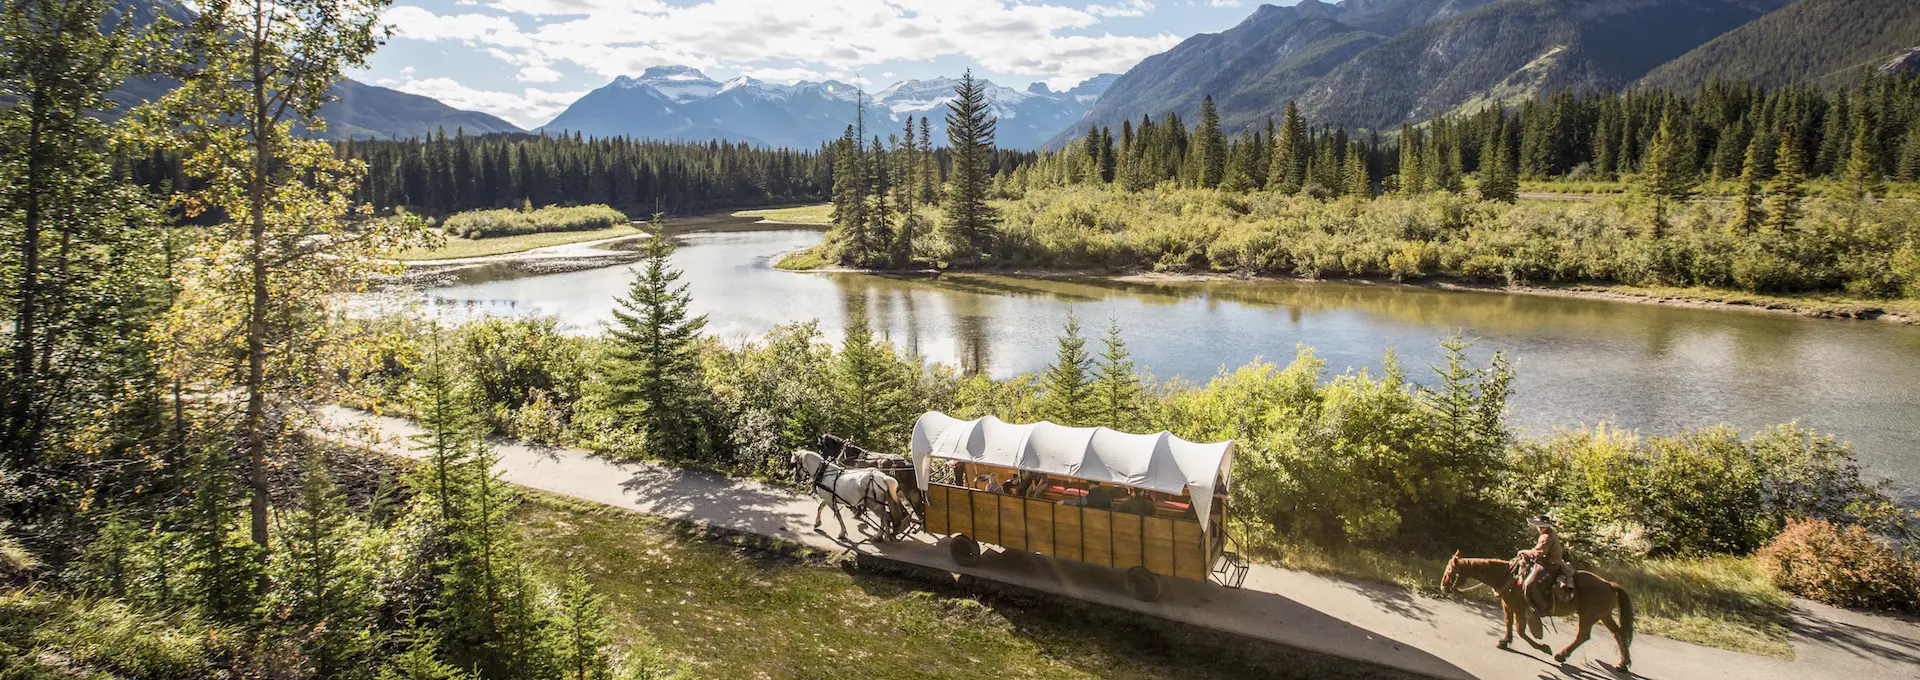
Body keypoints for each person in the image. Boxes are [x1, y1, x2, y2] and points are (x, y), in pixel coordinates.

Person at [1518, 515, 1570, 639]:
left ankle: (1541, 608)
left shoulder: (1546, 537)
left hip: (1549, 565)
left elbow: (1539, 553)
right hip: (1547, 562)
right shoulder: (1548, 534)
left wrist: (1524, 551)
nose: (1539, 528)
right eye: (1538, 526)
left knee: (1529, 583)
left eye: (1541, 526)